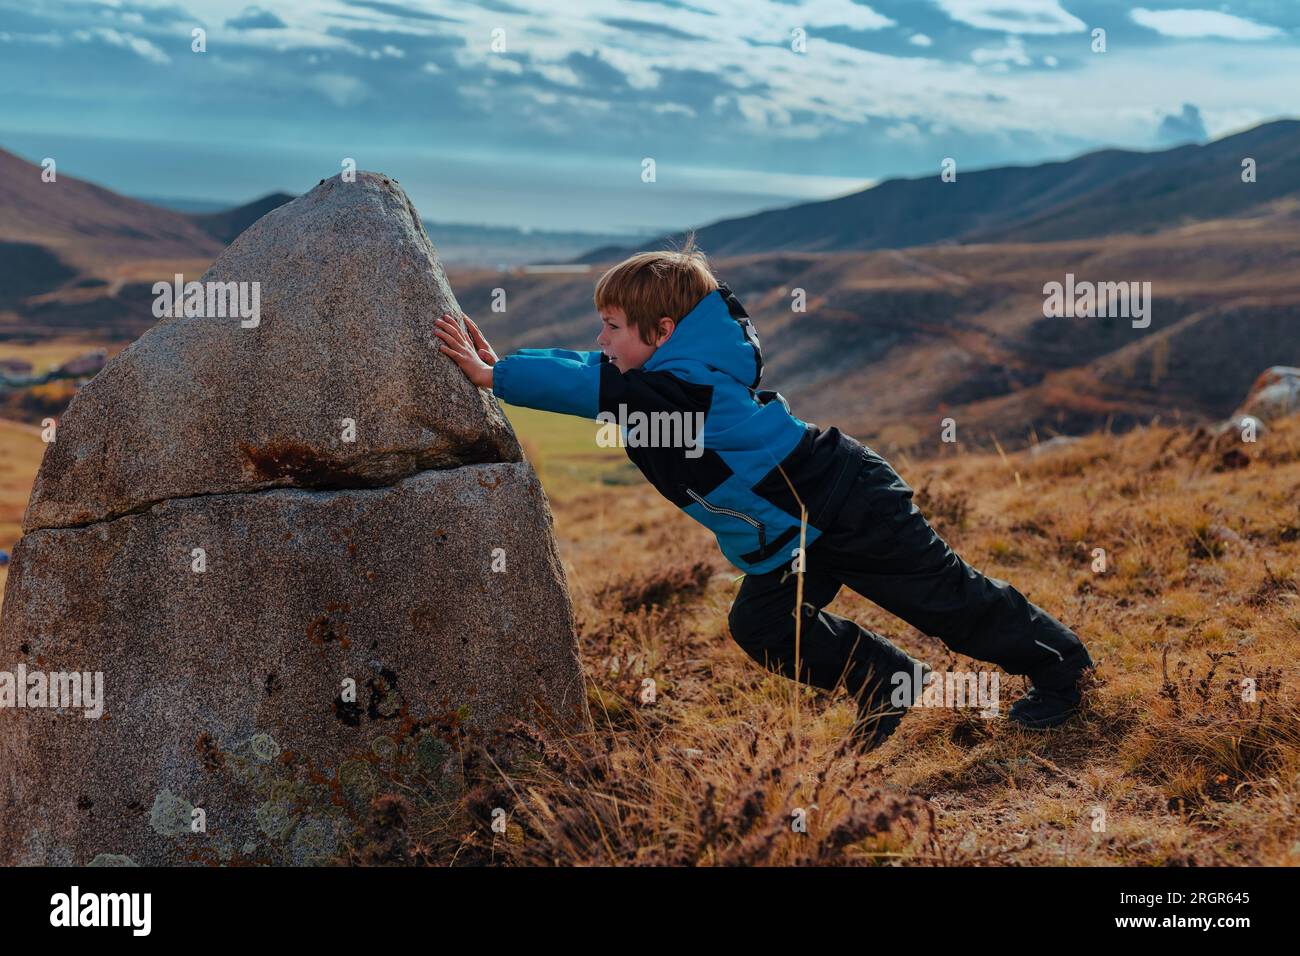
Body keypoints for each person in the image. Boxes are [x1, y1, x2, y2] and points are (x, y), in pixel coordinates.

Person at [433, 241, 1094, 751]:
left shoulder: (685, 389)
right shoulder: (665, 373)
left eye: (610, 326)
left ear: (661, 331)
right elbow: (595, 372)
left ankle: (1064, 670)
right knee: (763, 626)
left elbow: (601, 389)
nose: (600, 341)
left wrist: (498, 377)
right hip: (790, 531)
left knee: (945, 601)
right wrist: (507, 367)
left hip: (848, 503)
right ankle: (893, 683)